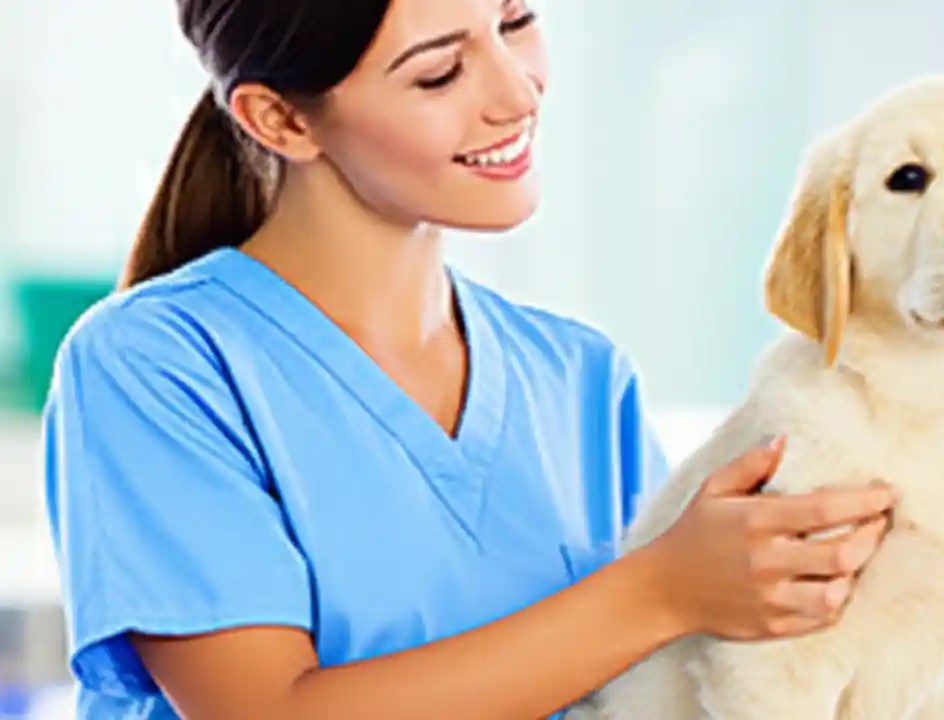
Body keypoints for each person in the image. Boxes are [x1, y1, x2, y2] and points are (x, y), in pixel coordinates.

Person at [41, 1, 899, 718]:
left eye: (516, 19)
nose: (515, 91)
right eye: (438, 73)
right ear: (282, 119)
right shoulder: (156, 364)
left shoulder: (580, 377)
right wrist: (664, 592)